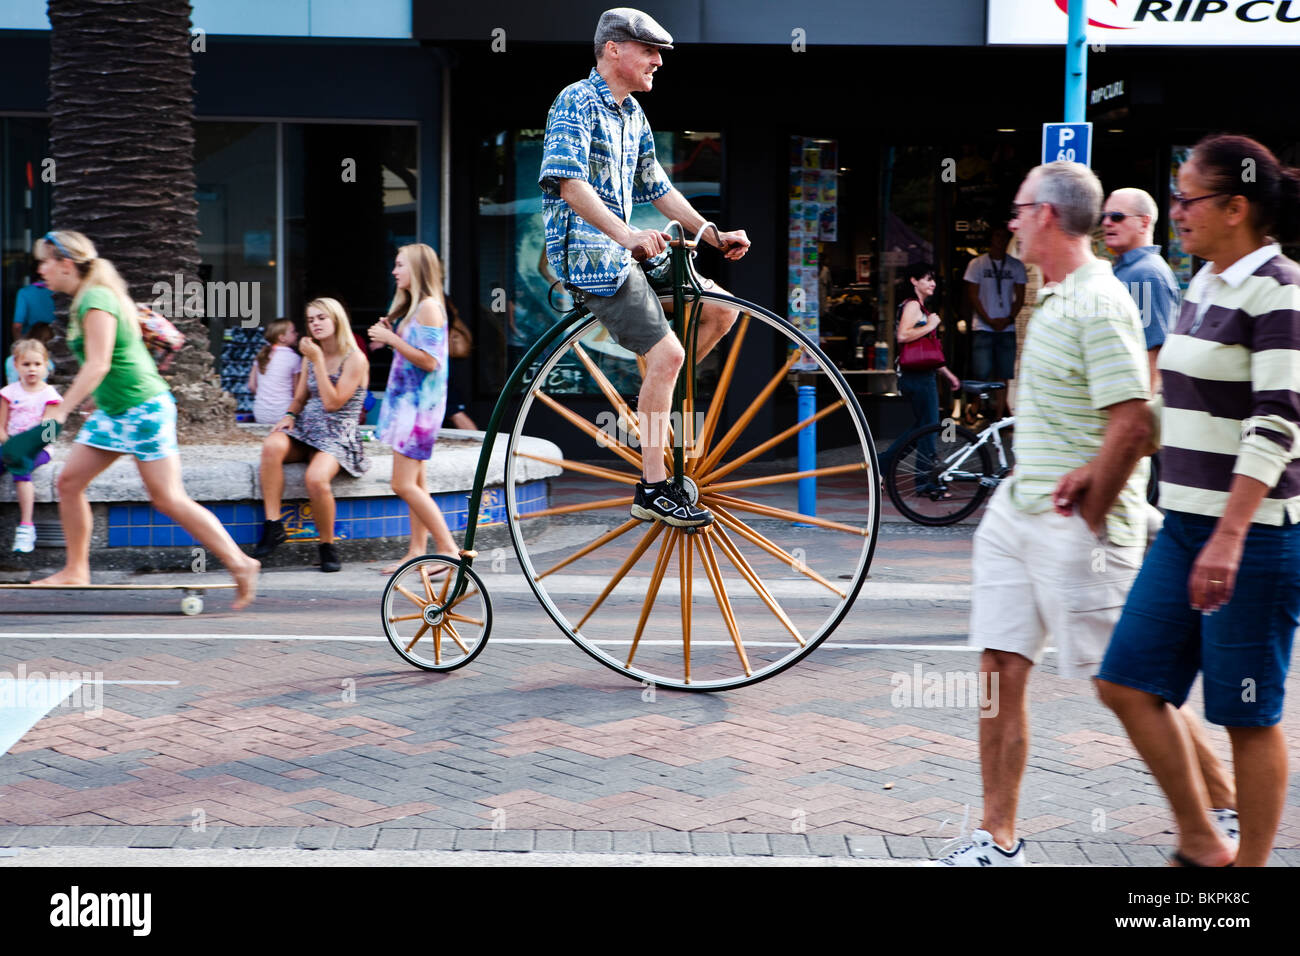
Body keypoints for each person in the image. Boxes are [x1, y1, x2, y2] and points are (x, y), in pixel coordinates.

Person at [934, 163, 1153, 866]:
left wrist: (1091, 509)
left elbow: (1135, 420)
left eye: (1020, 210)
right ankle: (998, 840)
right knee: (998, 667)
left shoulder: (1099, 300)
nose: (1012, 222)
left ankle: (1220, 808)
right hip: (1019, 508)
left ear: (1049, 216)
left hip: (1076, 526)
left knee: (1127, 687)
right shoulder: (1053, 298)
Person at [1094, 135, 1300, 867]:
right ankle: (1202, 843)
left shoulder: (1279, 288)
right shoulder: (1204, 282)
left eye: (1188, 198)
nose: (1175, 211)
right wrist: (1102, 463)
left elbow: (1277, 419)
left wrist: (1231, 536)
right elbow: (1173, 408)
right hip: (1183, 522)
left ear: (1236, 207)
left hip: (1253, 535)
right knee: (1125, 682)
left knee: (1246, 714)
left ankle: (1247, 875)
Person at [540, 7, 750, 529]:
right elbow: (571, 186)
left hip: (627, 250)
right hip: (590, 254)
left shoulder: (633, 115)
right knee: (670, 352)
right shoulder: (575, 102)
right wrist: (627, 233)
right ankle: (653, 486)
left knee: (721, 311)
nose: (658, 61)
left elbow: (658, 188)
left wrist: (709, 233)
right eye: (649, 50)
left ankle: (655, 394)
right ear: (614, 49)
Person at [1104, 185, 1239, 832]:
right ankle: (1212, 823)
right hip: (1176, 500)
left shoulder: (1153, 275)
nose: (1108, 223)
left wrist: (1135, 437)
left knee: (1241, 709)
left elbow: (1155, 362)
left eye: (1117, 216)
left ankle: (1225, 818)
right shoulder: (1190, 281)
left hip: (1221, 512)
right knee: (1130, 678)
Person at [30, 230, 259, 607]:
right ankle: (76, 568)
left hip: (143, 407)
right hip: (117, 409)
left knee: (167, 498)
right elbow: (111, 361)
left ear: (66, 264)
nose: (41, 269)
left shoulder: (97, 298)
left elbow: (100, 362)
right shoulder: (88, 297)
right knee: (70, 482)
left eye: (46, 261)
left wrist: (63, 408)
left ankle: (241, 562)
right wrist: (94, 400)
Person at [254, 298, 369, 573]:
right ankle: (273, 525)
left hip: (338, 435)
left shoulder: (355, 359)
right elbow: (301, 397)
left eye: (321, 318)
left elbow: (333, 403)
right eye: (310, 320)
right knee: (272, 445)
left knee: (315, 478)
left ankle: (327, 545)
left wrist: (317, 360)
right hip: (306, 430)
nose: (315, 324)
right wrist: (289, 415)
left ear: (336, 320)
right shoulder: (310, 355)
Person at [368, 244, 459, 575]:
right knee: (416, 484)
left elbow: (431, 362)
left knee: (402, 485)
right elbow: (416, 353)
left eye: (399, 265)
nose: (394, 271)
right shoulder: (416, 308)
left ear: (417, 269)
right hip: (409, 406)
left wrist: (392, 341)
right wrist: (391, 335)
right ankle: (417, 551)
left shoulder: (429, 308)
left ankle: (448, 550)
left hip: (418, 411)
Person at [877, 263, 960, 486]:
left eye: (933, 279)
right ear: (914, 281)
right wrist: (931, 324)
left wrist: (947, 374)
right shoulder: (913, 305)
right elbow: (903, 336)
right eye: (927, 278)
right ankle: (926, 482)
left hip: (922, 374)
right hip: (917, 377)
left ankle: (883, 465)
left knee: (922, 428)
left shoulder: (919, 308)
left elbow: (927, 351)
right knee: (929, 427)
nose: (932, 283)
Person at [1103, 187, 1182, 387]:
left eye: (1117, 216)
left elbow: (1152, 352)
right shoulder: (1128, 270)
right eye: (1104, 216)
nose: (1106, 222)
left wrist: (1140, 413)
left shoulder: (1145, 274)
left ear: (1144, 222)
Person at [0, 339, 61, 552]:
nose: (32, 369)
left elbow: (49, 432)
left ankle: (26, 527)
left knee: (21, 467)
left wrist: (23, 450)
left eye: (37, 364)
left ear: (46, 365)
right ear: (16, 365)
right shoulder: (9, 393)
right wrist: (11, 447)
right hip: (10, 445)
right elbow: (1, 427)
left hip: (39, 449)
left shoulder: (50, 396)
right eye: (26, 364)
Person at [963, 226, 1026, 419]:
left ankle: (999, 417)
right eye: (996, 235)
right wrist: (988, 319)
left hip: (1006, 326)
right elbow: (972, 295)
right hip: (983, 326)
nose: (1000, 240)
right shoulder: (977, 264)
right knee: (981, 372)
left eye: (1003, 236)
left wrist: (1007, 319)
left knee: (1004, 373)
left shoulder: (1015, 265)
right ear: (991, 239)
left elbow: (1020, 297)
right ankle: (975, 407)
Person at [248, 319, 301, 425]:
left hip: (260, 413)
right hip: (284, 413)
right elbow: (297, 392)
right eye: (293, 331)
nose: (297, 334)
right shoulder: (294, 358)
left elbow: (252, 386)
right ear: (282, 338)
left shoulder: (261, 356)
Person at [5, 279, 56, 386]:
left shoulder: (25, 292)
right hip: (55, 342)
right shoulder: (59, 292)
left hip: (29, 339)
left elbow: (17, 325)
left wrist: (19, 345)